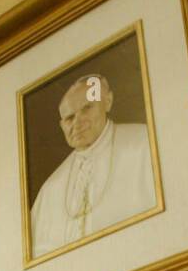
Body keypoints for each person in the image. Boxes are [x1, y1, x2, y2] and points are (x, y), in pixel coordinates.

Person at [29, 73, 158, 258]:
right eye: (69, 118)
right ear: (61, 125)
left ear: (107, 101)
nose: (78, 122)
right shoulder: (51, 188)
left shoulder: (145, 142)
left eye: (87, 108)